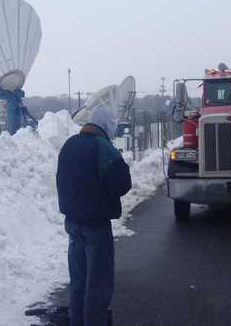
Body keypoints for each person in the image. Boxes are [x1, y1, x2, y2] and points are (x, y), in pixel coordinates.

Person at [56, 106, 132, 326]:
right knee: (98, 285)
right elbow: (122, 184)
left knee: (78, 281)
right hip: (96, 227)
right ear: (106, 125)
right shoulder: (103, 147)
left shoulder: (69, 144)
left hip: (73, 224)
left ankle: (76, 321)